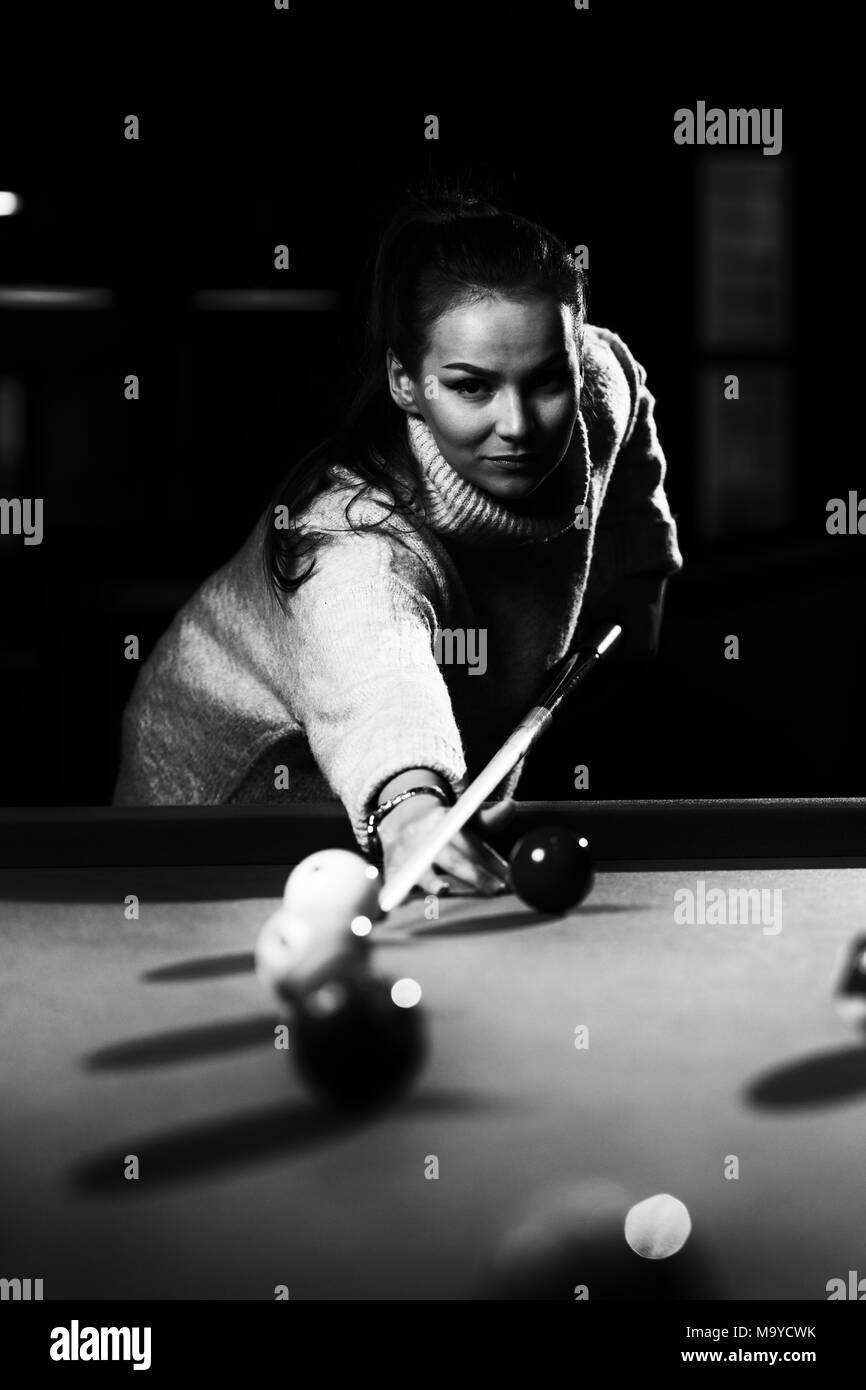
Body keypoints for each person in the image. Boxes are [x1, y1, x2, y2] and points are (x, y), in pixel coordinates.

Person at [113, 188, 683, 899]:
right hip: (224, 801)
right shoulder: (352, 541)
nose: (518, 425)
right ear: (405, 383)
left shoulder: (595, 382)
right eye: (471, 387)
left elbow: (623, 404)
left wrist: (641, 572)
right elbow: (381, 679)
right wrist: (411, 806)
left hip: (418, 800)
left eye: (545, 381)